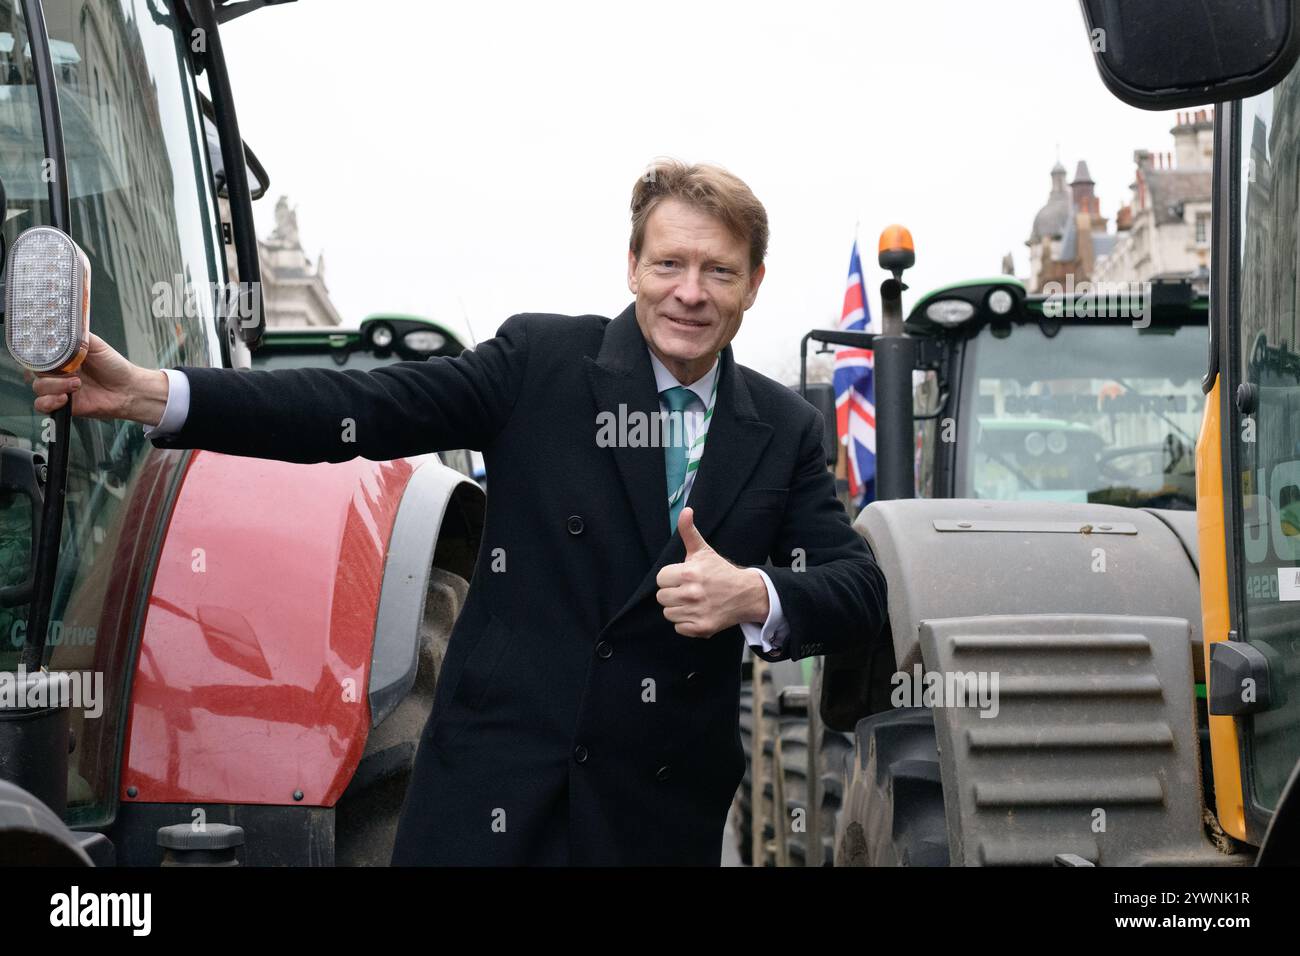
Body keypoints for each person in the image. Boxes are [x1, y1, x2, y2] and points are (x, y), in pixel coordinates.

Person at [32, 159, 888, 865]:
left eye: (718, 271)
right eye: (669, 264)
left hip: (653, 825)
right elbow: (360, 409)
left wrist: (755, 597)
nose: (690, 293)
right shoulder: (540, 364)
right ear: (633, 268)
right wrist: (156, 394)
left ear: (754, 284)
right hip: (492, 808)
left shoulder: (781, 430)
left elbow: (859, 589)